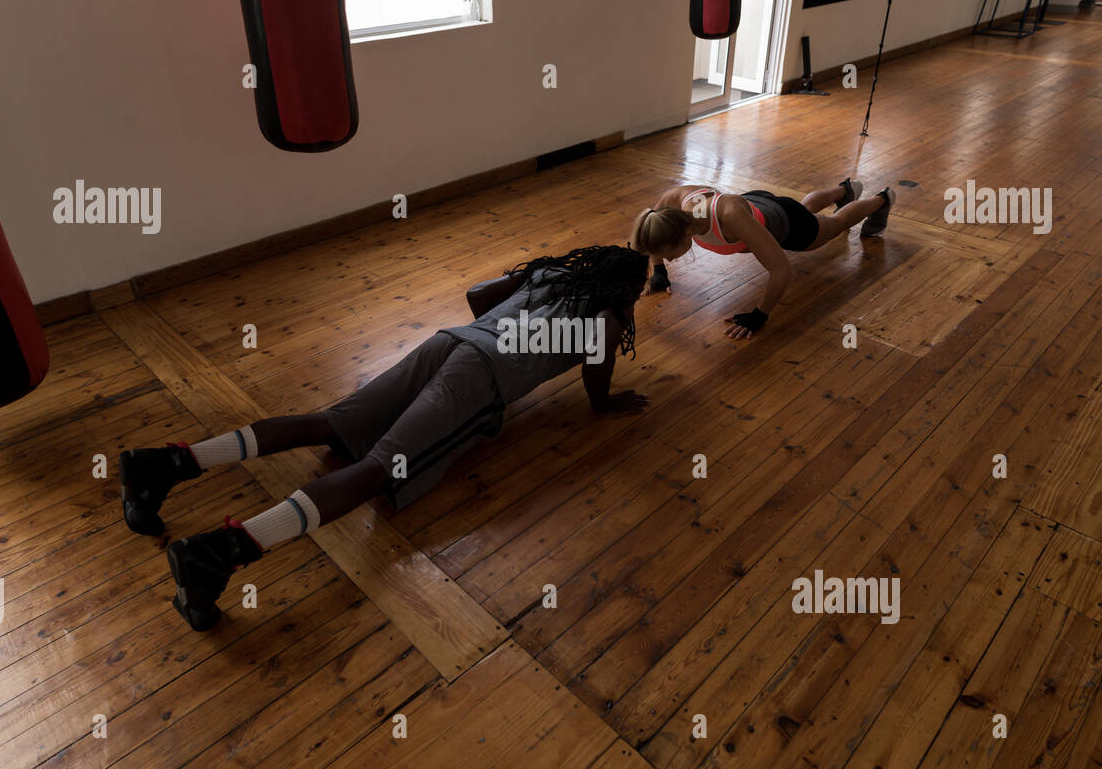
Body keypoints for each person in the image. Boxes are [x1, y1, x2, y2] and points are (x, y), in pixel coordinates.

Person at [119, 245, 650, 631]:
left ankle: (163, 465)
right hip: (478, 380)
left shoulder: (553, 272)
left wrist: (497, 333)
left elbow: (478, 294)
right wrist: (604, 404)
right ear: (627, 289)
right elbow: (596, 372)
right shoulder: (606, 314)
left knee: (329, 420)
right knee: (379, 469)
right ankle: (219, 552)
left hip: (447, 344)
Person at [629, 178, 894, 339]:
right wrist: (659, 270)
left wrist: (759, 315)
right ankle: (844, 189)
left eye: (670, 257)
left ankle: (881, 199)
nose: (671, 261)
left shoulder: (730, 219)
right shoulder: (670, 206)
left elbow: (781, 271)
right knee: (805, 209)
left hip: (787, 224)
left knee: (834, 225)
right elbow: (647, 242)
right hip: (759, 206)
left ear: (687, 234)